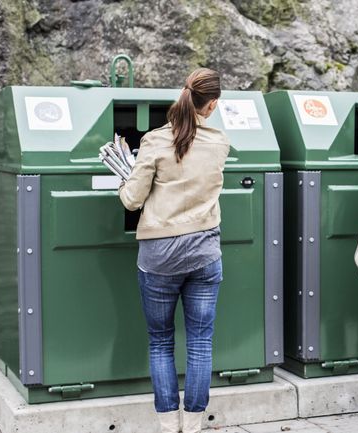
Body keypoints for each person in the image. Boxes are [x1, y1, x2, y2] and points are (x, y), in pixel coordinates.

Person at [119, 68, 230, 433]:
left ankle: (169, 424)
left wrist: (126, 183)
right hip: (204, 254)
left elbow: (133, 199)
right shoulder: (220, 142)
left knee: (160, 341)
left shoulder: (154, 141)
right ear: (211, 104)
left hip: (159, 257)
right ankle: (194, 423)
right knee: (200, 341)